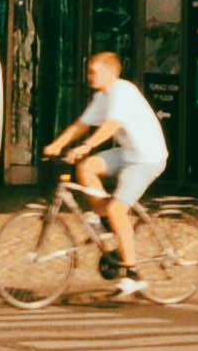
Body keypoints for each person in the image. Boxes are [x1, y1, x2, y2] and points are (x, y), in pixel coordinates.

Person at [45, 46, 167, 297]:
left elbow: (112, 125)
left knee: (117, 209)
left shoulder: (123, 92)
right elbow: (81, 125)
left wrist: (86, 146)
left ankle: (132, 274)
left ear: (110, 73)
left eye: (93, 72)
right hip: (127, 153)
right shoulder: (102, 97)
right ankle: (104, 221)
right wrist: (58, 144)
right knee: (87, 167)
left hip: (147, 158)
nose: (89, 76)